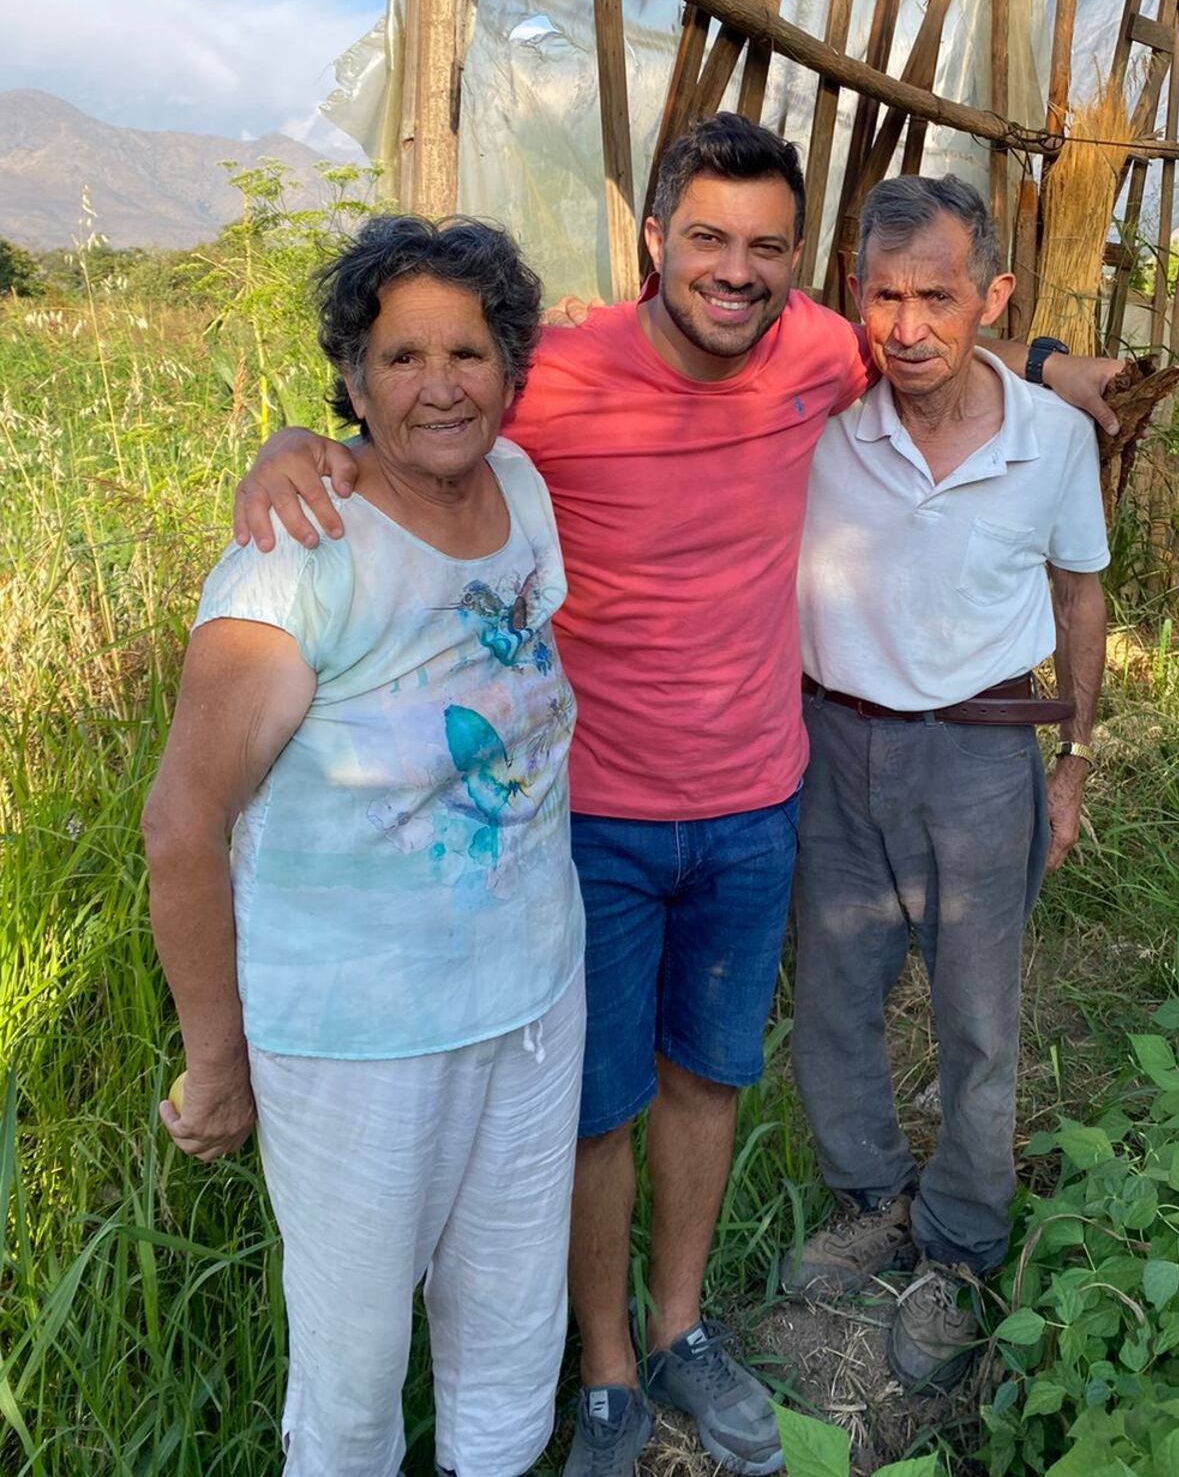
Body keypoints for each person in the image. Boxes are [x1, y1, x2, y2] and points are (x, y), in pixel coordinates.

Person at [233, 115, 1121, 1477]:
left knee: (706, 1076)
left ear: (793, 265)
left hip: (760, 801)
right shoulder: (560, 376)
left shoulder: (820, 350)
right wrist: (302, 439)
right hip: (588, 817)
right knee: (595, 1107)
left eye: (767, 247)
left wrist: (1054, 359)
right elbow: (424, 413)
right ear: (654, 238)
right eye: (706, 236)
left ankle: (683, 1325)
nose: (735, 270)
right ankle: (603, 1374)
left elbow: (939, 333)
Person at [144, 215, 587, 1477]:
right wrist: (216, 1061)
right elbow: (182, 822)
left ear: (511, 365)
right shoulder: (295, 558)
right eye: (401, 357)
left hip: (532, 997)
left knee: (510, 1332)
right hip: (359, 1040)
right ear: (349, 374)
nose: (440, 384)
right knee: (348, 1380)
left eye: (468, 351)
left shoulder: (524, 492)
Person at [783, 174, 1109, 1392]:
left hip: (982, 754)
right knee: (836, 997)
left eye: (938, 296)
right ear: (851, 294)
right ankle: (872, 1198)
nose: (908, 327)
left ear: (995, 298)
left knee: (979, 1016)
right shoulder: (822, 421)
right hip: (833, 743)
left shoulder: (1053, 438)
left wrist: (1072, 760)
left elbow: (1081, 595)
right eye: (884, 295)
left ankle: (964, 1243)